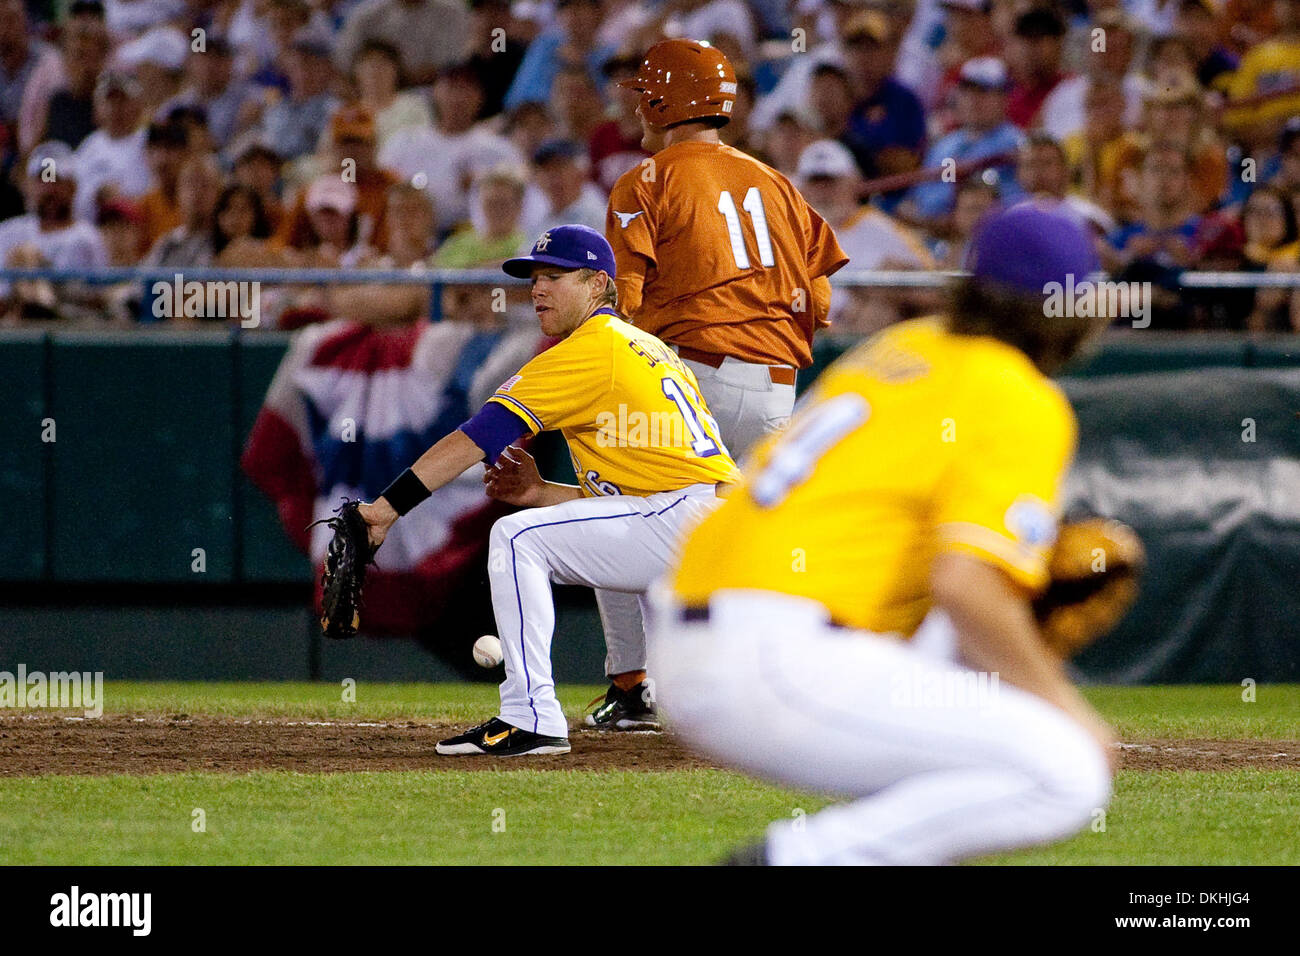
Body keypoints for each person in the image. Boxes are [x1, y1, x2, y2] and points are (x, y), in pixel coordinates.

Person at [647, 201, 1117, 866]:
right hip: (778, 652)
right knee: (1065, 770)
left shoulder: (903, 348)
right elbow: (965, 584)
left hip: (701, 632)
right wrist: (1063, 702)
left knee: (950, 778)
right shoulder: (1018, 395)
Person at [355, 224, 740, 755]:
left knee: (517, 539)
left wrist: (385, 509)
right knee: (546, 532)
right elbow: (632, 500)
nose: (537, 289)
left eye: (555, 276)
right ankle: (645, 696)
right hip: (719, 521)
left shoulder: (589, 349)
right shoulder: (646, 345)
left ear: (598, 283)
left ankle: (530, 715)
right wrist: (540, 492)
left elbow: (478, 438)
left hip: (682, 517)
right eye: (534, 277)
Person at [595, 38, 849, 731]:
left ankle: (633, 685)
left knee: (608, 512)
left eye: (644, 92)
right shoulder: (777, 182)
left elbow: (625, 301)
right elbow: (821, 297)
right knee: (760, 540)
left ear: (663, 100)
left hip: (689, 377)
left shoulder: (647, 179)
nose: (637, 105)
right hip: (775, 386)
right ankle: (792, 684)